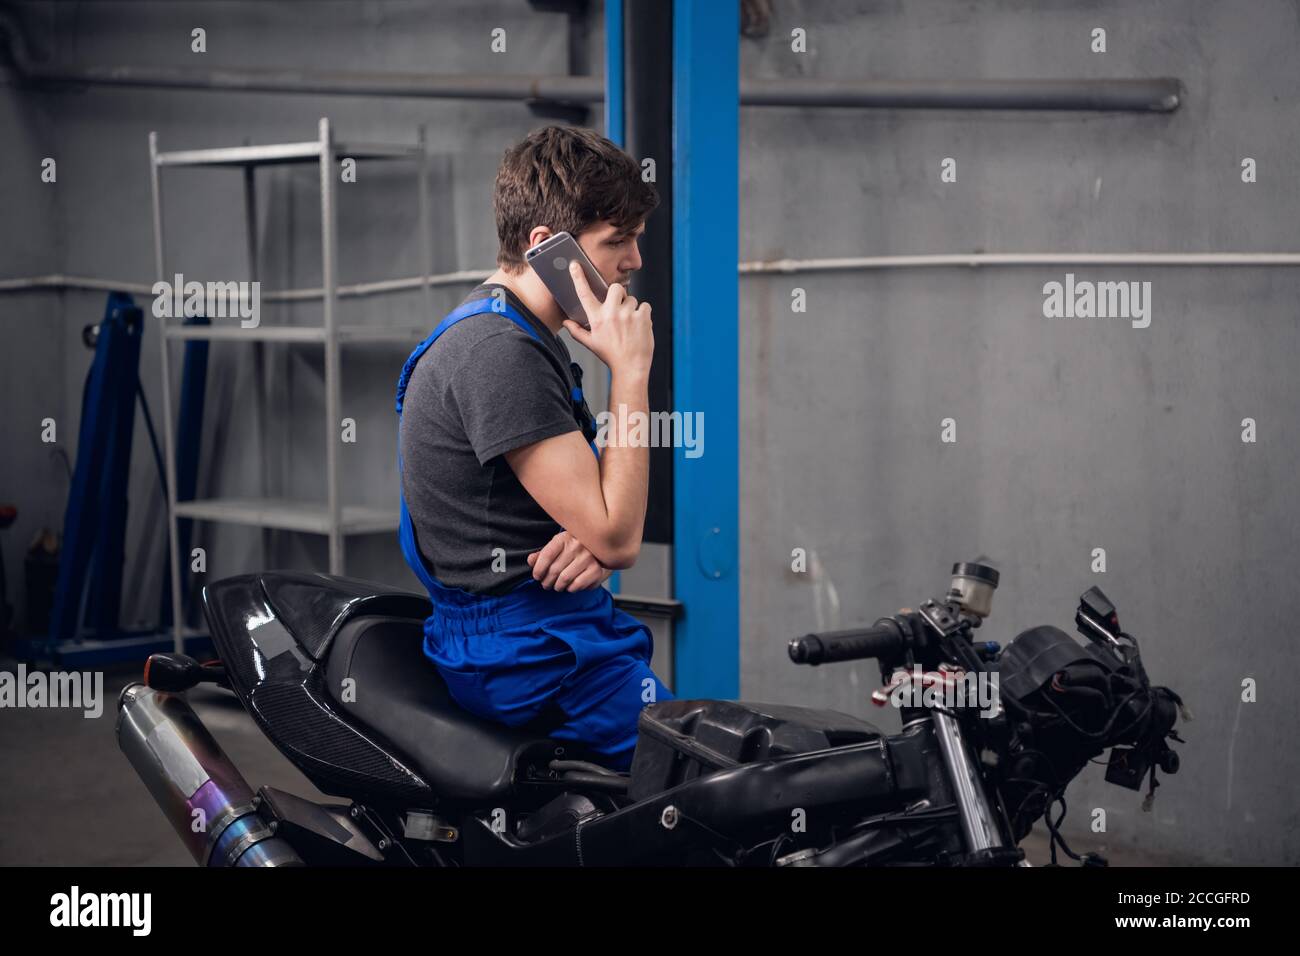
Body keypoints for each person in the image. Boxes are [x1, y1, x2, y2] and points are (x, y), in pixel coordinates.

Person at [394, 125, 673, 772]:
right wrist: (632, 373)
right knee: (707, 785)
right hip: (531, 655)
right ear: (549, 248)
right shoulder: (499, 354)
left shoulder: (508, 332)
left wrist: (587, 528)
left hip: (547, 636)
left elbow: (598, 527)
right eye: (618, 242)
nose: (634, 261)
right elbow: (619, 538)